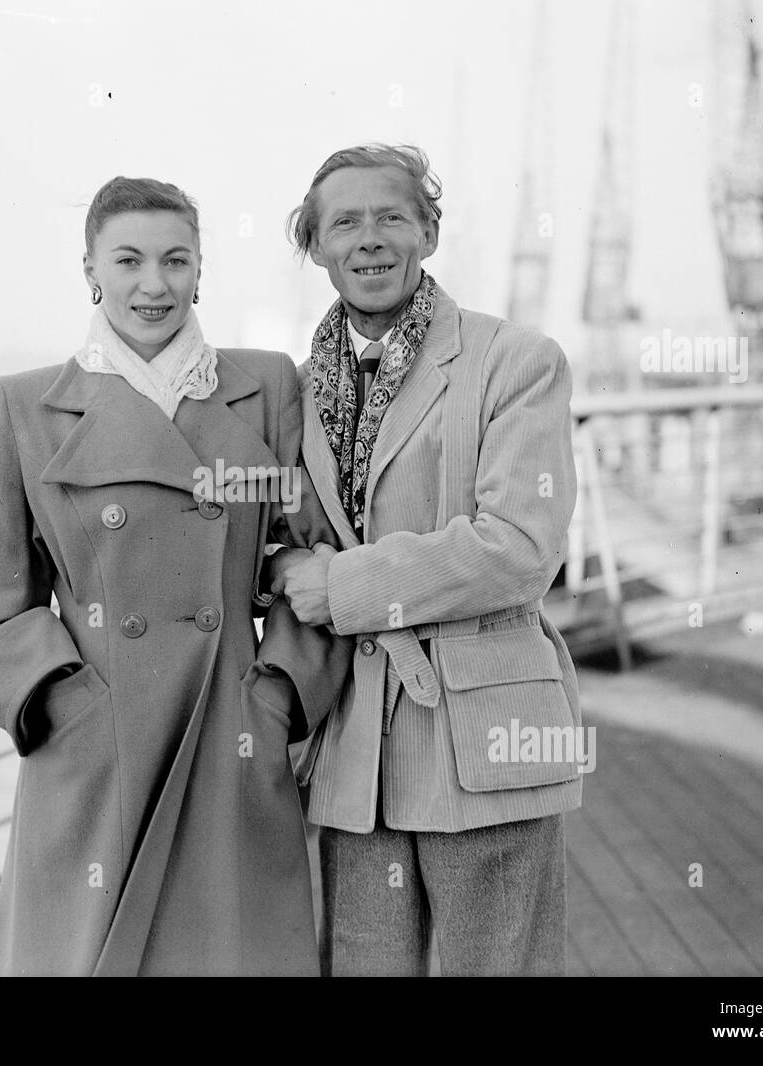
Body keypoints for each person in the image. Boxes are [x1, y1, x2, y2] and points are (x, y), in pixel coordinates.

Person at [0, 176, 351, 976]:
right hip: (98, 764)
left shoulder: (268, 386)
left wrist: (273, 701)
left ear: (201, 272)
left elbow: (318, 563)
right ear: (90, 271)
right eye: (128, 260)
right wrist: (72, 714)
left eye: (175, 260)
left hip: (229, 742)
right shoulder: (20, 408)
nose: (153, 284)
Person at [270, 144, 583, 976]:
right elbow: (272, 537)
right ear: (316, 246)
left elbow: (518, 547)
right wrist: (278, 570)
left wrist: (337, 585)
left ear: (429, 232)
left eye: (391, 217)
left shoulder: (516, 361)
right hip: (355, 761)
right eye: (344, 222)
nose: (369, 240)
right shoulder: (293, 391)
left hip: (487, 741)